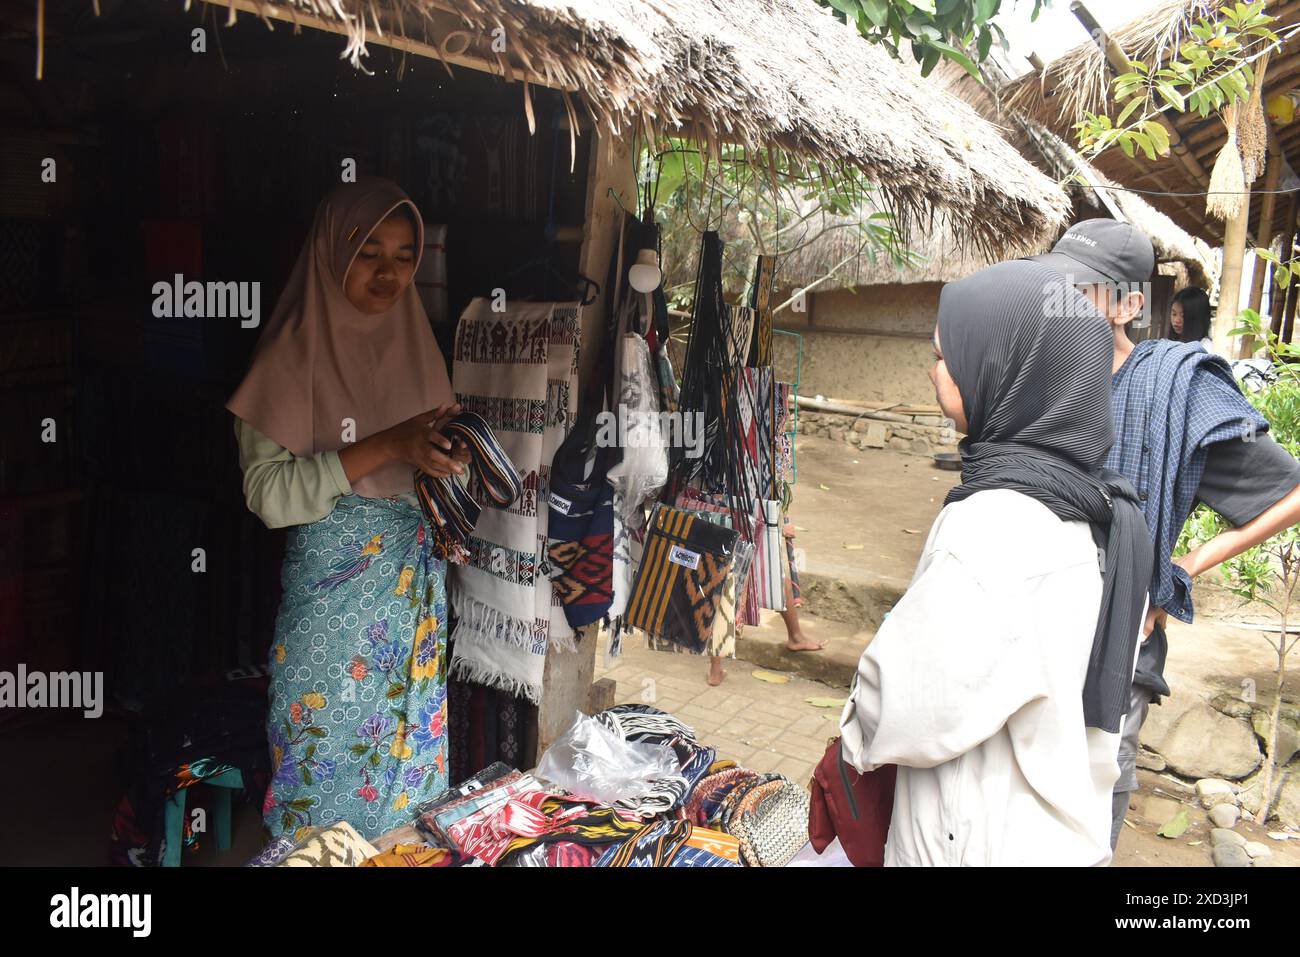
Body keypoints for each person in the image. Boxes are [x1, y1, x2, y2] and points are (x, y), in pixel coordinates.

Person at [838, 260, 1151, 866]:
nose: (936, 369)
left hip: (976, 843)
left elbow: (912, 707)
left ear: (1004, 369)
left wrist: (855, 725)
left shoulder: (997, 526)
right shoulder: (1097, 505)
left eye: (949, 352)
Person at [1028, 219, 1300, 850]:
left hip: (1121, 644)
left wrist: (1187, 562)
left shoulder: (1176, 390)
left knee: (1089, 808)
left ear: (1129, 304)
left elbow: (1290, 493)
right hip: (1037, 628)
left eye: (1083, 291)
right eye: (1054, 289)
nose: (1063, 305)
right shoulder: (1042, 386)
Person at [228, 176, 472, 841]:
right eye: (368, 251)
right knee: (321, 766)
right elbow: (268, 493)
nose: (388, 272)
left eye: (403, 255)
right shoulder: (289, 357)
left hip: (413, 601)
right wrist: (386, 443)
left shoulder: (417, 345)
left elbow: (431, 468)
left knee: (405, 776)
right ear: (333, 252)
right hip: (333, 611)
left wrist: (446, 486)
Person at [707, 518, 822, 686]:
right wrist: (782, 523)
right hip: (751, 519)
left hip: (728, 517)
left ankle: (715, 670)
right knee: (776, 581)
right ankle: (796, 637)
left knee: (725, 585)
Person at [1169, 286, 1213, 350]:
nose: (1176, 320)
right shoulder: (1171, 343)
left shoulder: (1205, 348)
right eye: (1174, 314)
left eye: (1183, 316)